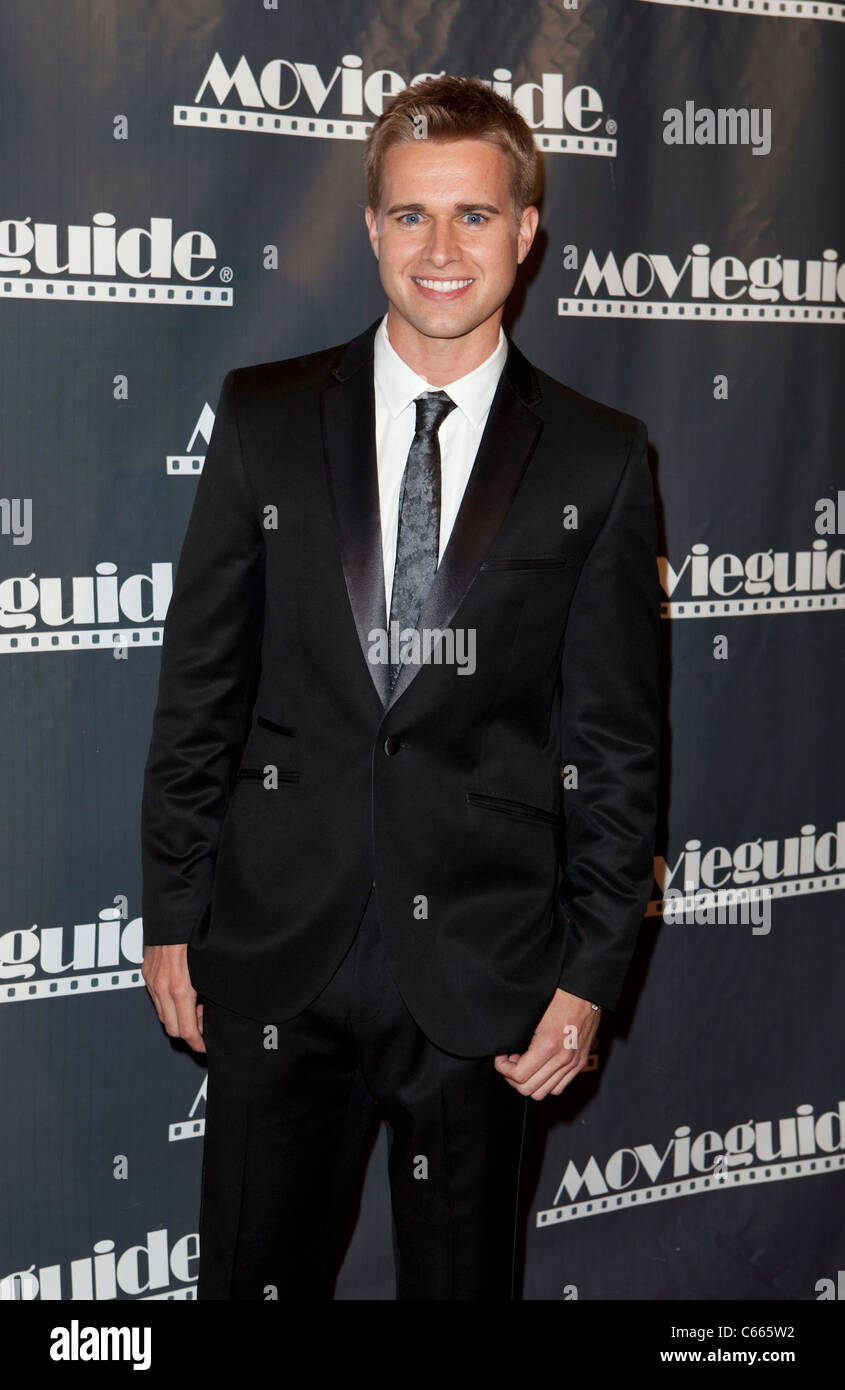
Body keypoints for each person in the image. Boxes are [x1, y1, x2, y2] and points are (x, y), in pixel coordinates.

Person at [140, 74, 661, 1301]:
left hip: (484, 975)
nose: (440, 249)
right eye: (411, 216)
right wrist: (172, 906)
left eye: (473, 216)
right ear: (370, 226)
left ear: (524, 232)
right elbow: (199, 686)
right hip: (277, 954)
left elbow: (618, 743)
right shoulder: (263, 418)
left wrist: (590, 974)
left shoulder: (599, 455)